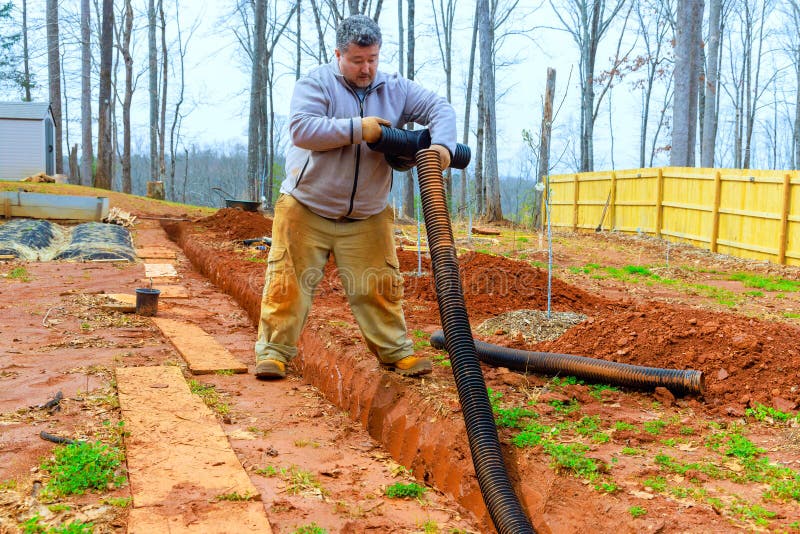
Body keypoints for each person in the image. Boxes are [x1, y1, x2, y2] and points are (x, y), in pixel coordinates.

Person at [254, 14, 456, 379]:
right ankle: (274, 355)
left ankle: (396, 353)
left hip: (368, 212)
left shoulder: (395, 88)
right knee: (288, 286)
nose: (367, 69)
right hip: (307, 206)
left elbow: (439, 108)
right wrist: (358, 129)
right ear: (338, 55)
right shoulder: (315, 84)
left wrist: (441, 146)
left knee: (379, 286)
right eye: (358, 60)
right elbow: (302, 129)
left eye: (373, 59)